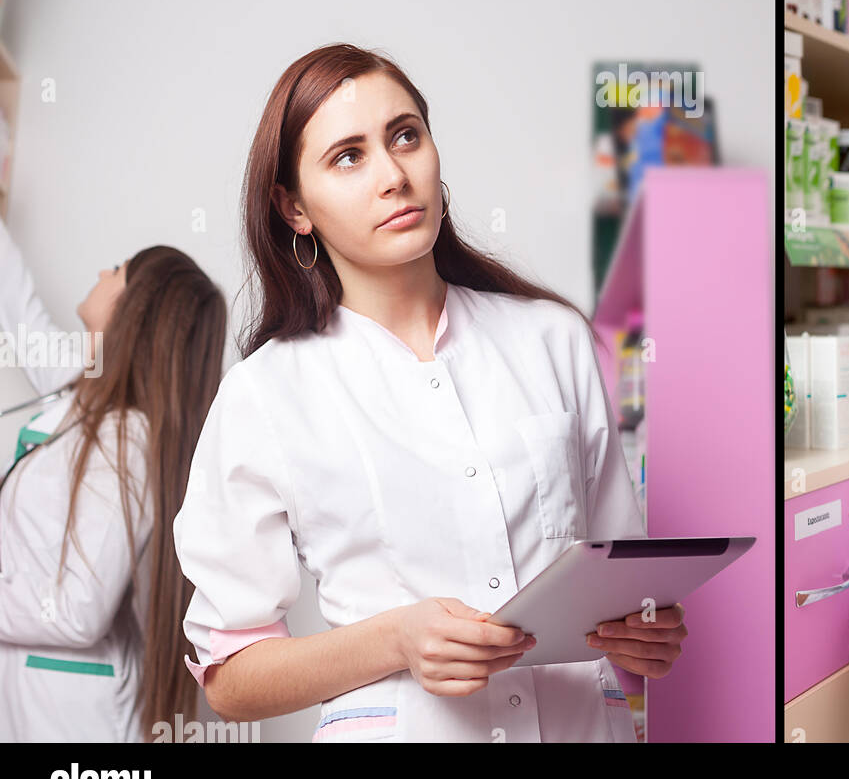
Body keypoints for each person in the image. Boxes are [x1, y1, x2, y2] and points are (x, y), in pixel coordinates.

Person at [174, 44, 687, 742]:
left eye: (405, 136)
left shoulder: (552, 339)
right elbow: (230, 676)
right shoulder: (266, 394)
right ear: (294, 208)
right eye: (348, 157)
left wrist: (644, 632)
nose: (392, 175)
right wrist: (395, 641)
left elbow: (622, 582)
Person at [0, 214, 226, 741]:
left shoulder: (129, 437)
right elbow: (17, 313)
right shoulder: (83, 390)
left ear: (133, 309)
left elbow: (78, 609)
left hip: (75, 719)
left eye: (119, 269)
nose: (103, 270)